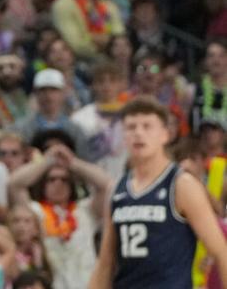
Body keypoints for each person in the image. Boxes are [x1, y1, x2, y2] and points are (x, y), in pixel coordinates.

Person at [89, 97, 227, 289]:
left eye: (147, 126)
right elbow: (105, 263)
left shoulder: (181, 184)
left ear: (165, 134)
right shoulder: (116, 189)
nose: (138, 133)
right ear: (123, 135)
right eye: (131, 127)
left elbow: (220, 251)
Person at [8, 136, 112, 289]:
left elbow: (107, 185)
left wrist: (72, 162)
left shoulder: (85, 211)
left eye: (64, 180)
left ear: (71, 185)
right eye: (52, 179)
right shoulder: (35, 212)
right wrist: (46, 161)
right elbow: (14, 184)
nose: (58, 183)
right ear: (43, 184)